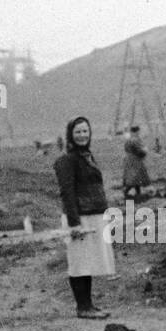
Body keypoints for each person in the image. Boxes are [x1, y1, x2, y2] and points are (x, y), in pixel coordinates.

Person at [53, 116, 114, 319]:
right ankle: (82, 307)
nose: (82, 135)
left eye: (85, 131)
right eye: (78, 132)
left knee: (89, 262)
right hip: (80, 218)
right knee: (79, 262)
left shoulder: (87, 156)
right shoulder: (66, 160)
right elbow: (67, 193)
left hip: (94, 215)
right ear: (70, 134)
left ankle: (88, 305)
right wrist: (74, 223)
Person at [122, 125, 150, 201]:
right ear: (136, 131)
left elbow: (126, 149)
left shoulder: (129, 139)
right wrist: (144, 152)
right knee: (135, 178)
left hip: (129, 160)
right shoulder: (135, 140)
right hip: (135, 161)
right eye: (138, 131)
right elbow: (139, 151)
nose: (139, 133)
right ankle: (126, 192)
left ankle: (138, 194)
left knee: (136, 178)